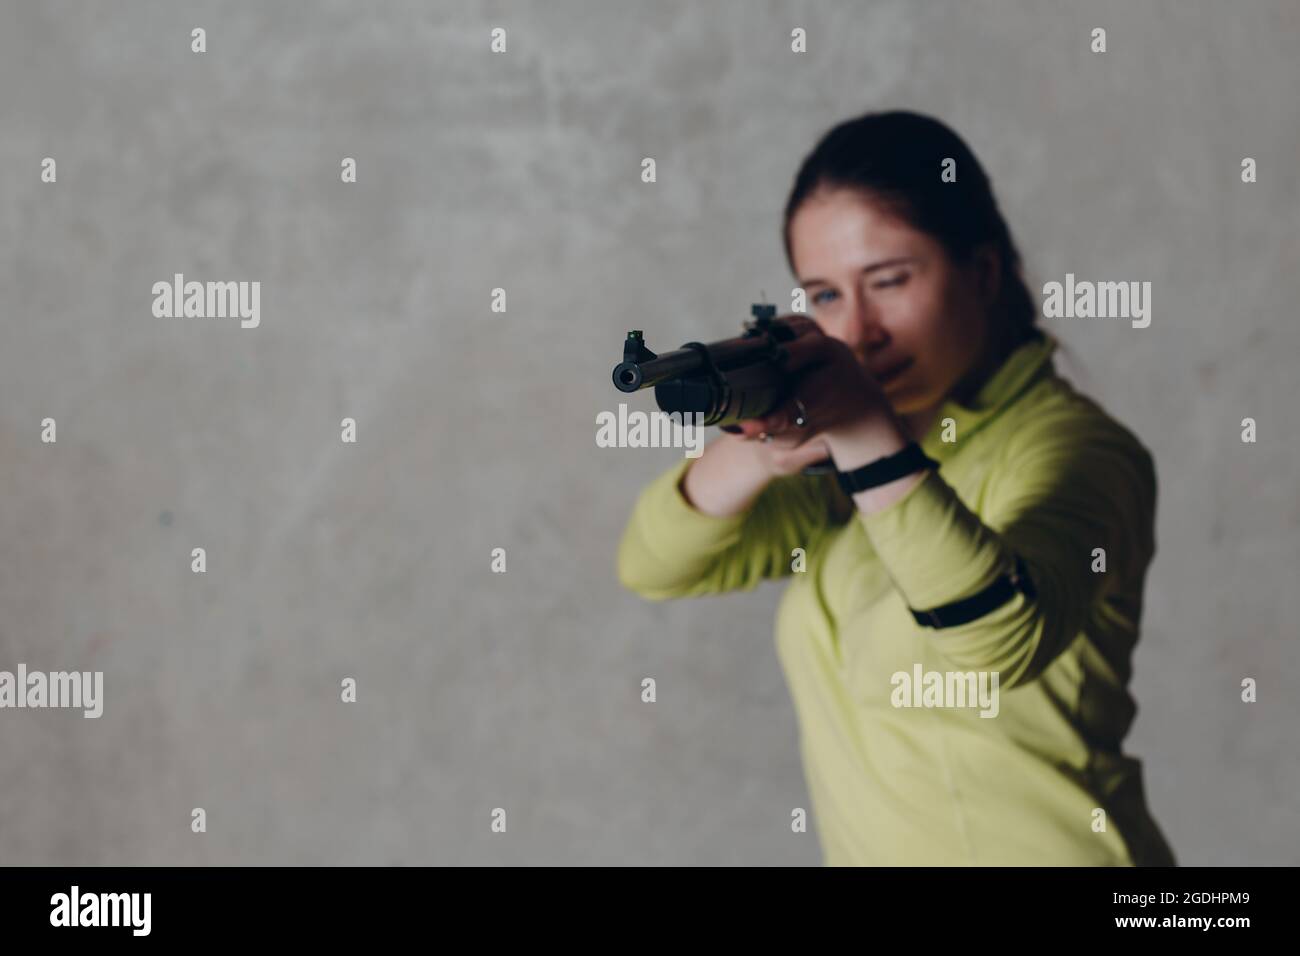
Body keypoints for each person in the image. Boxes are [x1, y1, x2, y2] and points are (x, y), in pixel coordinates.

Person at [616, 110, 1177, 866]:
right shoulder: (848, 465)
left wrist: (861, 432)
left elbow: (996, 644)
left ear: (981, 272)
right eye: (825, 295)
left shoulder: (1080, 451)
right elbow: (654, 564)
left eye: (888, 280)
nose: (859, 331)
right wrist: (761, 453)